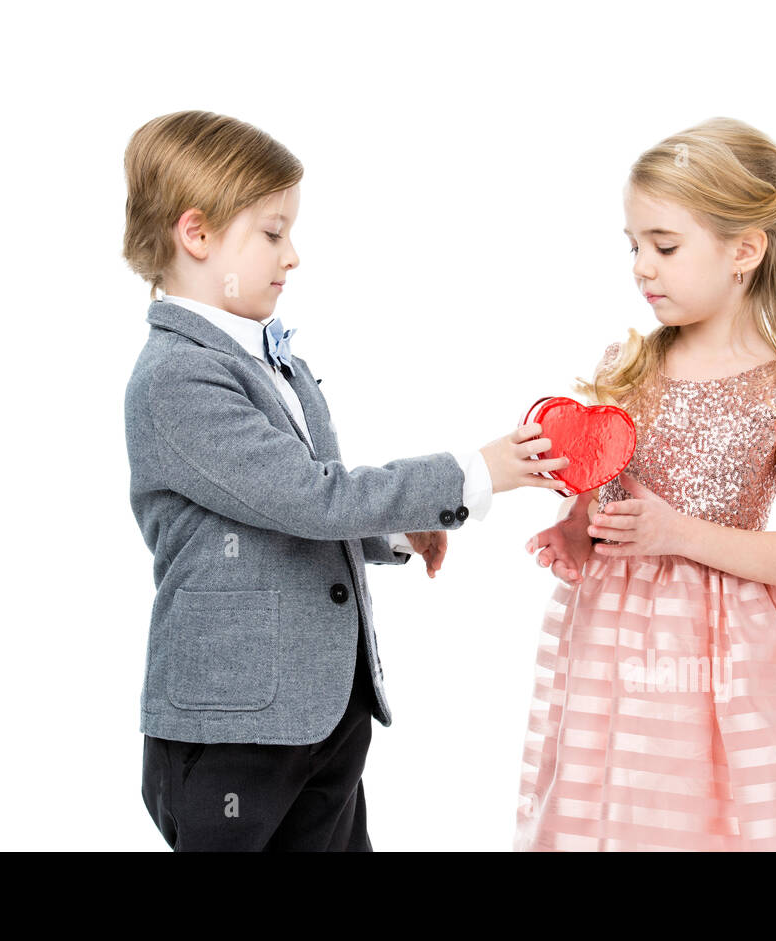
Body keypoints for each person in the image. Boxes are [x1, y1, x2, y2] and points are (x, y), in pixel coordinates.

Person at [122, 110, 567, 850]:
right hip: (236, 727)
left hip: (323, 713)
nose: (292, 255)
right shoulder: (176, 376)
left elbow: (295, 507)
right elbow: (310, 496)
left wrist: (389, 532)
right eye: (272, 232)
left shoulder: (274, 358)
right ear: (195, 235)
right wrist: (472, 472)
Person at [517, 117, 776, 851]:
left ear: (745, 251)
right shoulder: (627, 363)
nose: (640, 267)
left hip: (731, 658)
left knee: (712, 818)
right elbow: (605, 490)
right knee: (619, 808)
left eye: (665, 246)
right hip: (616, 648)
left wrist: (678, 532)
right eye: (633, 247)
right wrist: (575, 525)